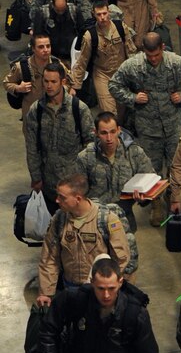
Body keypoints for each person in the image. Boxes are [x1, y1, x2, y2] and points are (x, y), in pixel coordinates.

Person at [109, 31, 181, 194]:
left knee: (175, 166)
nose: (153, 59)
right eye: (149, 55)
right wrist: (132, 98)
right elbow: (113, 85)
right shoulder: (133, 65)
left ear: (162, 48)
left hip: (173, 124)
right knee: (150, 168)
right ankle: (156, 203)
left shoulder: (175, 62)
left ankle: (173, 198)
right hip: (147, 128)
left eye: (156, 54)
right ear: (143, 50)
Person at [37, 173, 134, 303]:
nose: (57, 200)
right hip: (70, 289)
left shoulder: (107, 220)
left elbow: (120, 259)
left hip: (98, 292)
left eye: (62, 197)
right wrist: (46, 293)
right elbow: (49, 258)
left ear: (77, 198)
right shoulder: (59, 220)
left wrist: (107, 288)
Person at [25, 62, 94, 210]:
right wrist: (36, 177)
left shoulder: (79, 109)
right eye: (46, 81)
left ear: (63, 82)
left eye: (53, 82)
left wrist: (86, 177)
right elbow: (32, 147)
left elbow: (90, 144)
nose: (49, 85)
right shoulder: (36, 111)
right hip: (49, 184)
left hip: (74, 185)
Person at [75, 112, 155, 228]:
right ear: (96, 133)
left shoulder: (134, 153)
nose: (109, 138)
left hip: (124, 219)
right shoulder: (85, 157)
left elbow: (150, 179)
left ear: (119, 130)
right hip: (94, 220)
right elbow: (78, 192)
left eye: (112, 132)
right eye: (104, 133)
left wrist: (143, 197)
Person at [71, 0, 137, 116]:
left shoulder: (121, 28)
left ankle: (118, 133)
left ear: (109, 12)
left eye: (104, 13)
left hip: (121, 74)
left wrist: (136, 77)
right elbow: (82, 61)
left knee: (121, 111)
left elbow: (131, 51)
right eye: (99, 14)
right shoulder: (90, 36)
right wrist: (75, 86)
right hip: (102, 75)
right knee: (109, 113)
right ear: (94, 15)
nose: (102, 17)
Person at [4, 33, 54, 126]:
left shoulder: (57, 65)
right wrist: (18, 88)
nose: (46, 50)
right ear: (33, 49)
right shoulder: (22, 67)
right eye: (41, 47)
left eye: (48, 46)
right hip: (31, 114)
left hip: (52, 114)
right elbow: (7, 83)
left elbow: (69, 82)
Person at [31, 0, 83, 64]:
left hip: (70, 54)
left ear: (66, 3)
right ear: (52, 4)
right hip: (50, 55)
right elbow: (37, 36)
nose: (60, 13)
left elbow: (82, 31)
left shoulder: (74, 11)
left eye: (63, 10)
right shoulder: (42, 13)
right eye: (58, 10)